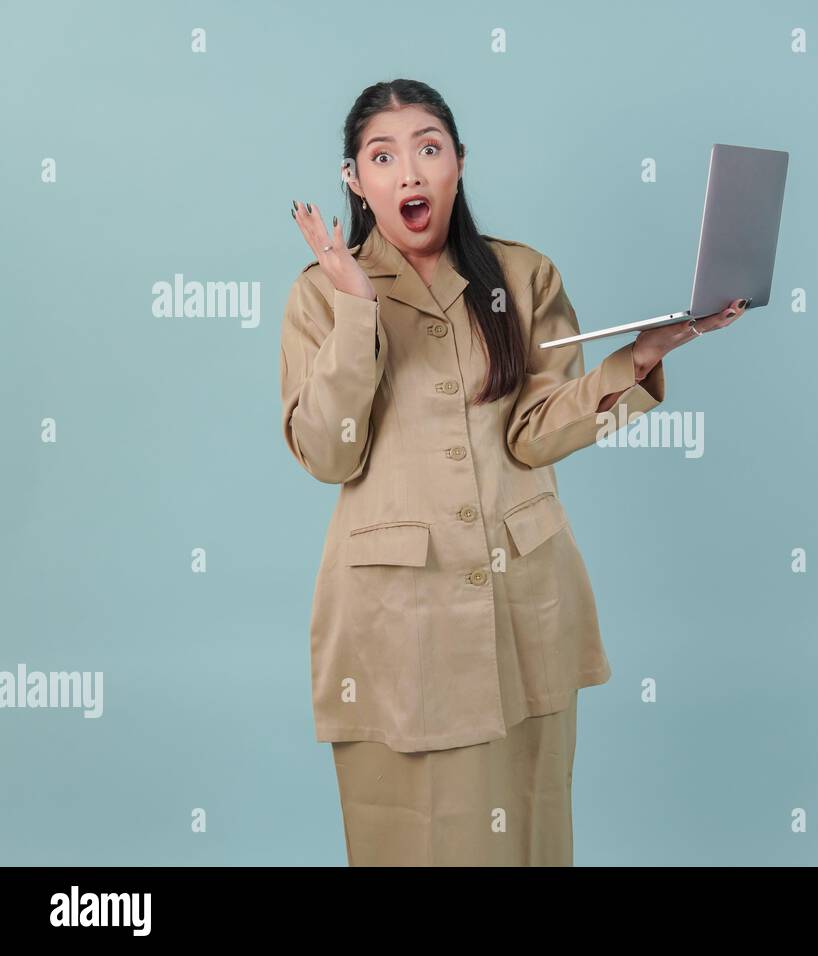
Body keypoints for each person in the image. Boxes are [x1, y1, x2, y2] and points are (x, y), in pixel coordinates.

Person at [279, 78, 749, 866]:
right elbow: (330, 454)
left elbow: (535, 434)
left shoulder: (523, 277)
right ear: (354, 180)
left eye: (429, 148)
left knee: (527, 833)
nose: (410, 173)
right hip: (400, 619)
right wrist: (358, 308)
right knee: (411, 836)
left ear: (459, 162)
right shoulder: (320, 298)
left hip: (523, 601)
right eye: (383, 156)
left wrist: (641, 358)